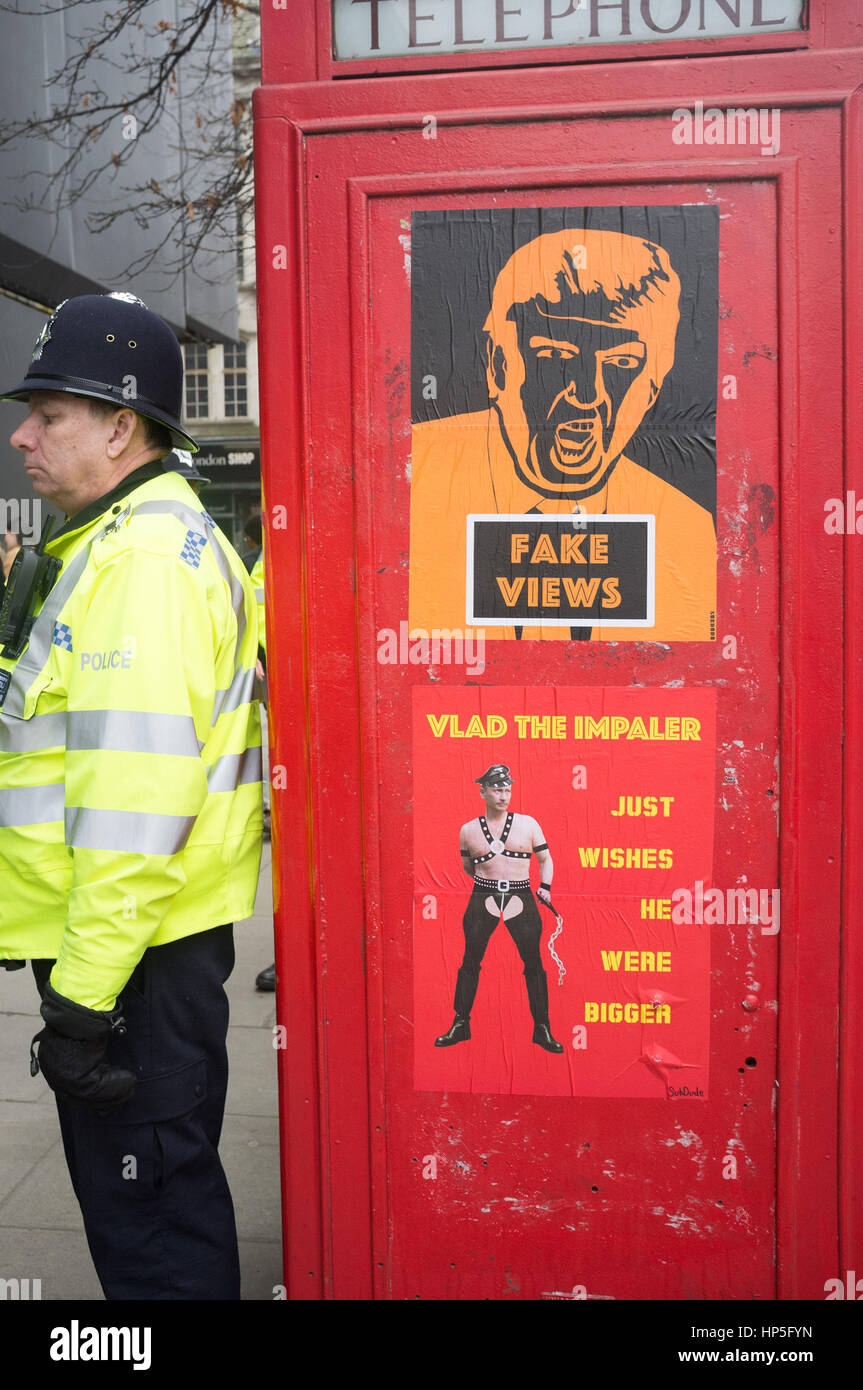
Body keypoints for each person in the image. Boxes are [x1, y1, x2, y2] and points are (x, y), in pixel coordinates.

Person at [0, 292, 263, 1300]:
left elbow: (133, 802)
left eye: (50, 413)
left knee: (151, 1225)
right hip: (145, 952)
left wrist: (81, 998)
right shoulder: (129, 541)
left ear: (120, 426)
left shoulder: (143, 562)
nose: (23, 433)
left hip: (133, 963)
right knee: (159, 1198)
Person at [410, 227, 716, 641]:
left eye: (622, 362)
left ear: (652, 388)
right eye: (555, 355)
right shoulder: (409, 480)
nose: (587, 394)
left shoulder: (686, 530)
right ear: (497, 364)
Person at [434, 764, 563, 1054]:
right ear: (483, 792)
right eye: (497, 790)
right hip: (483, 895)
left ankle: (542, 1027)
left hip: (521, 895)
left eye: (507, 790)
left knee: (533, 963)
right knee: (470, 960)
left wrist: (545, 887)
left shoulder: (528, 824)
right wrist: (488, 881)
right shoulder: (467, 830)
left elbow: (545, 858)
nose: (503, 796)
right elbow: (468, 867)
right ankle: (460, 1022)